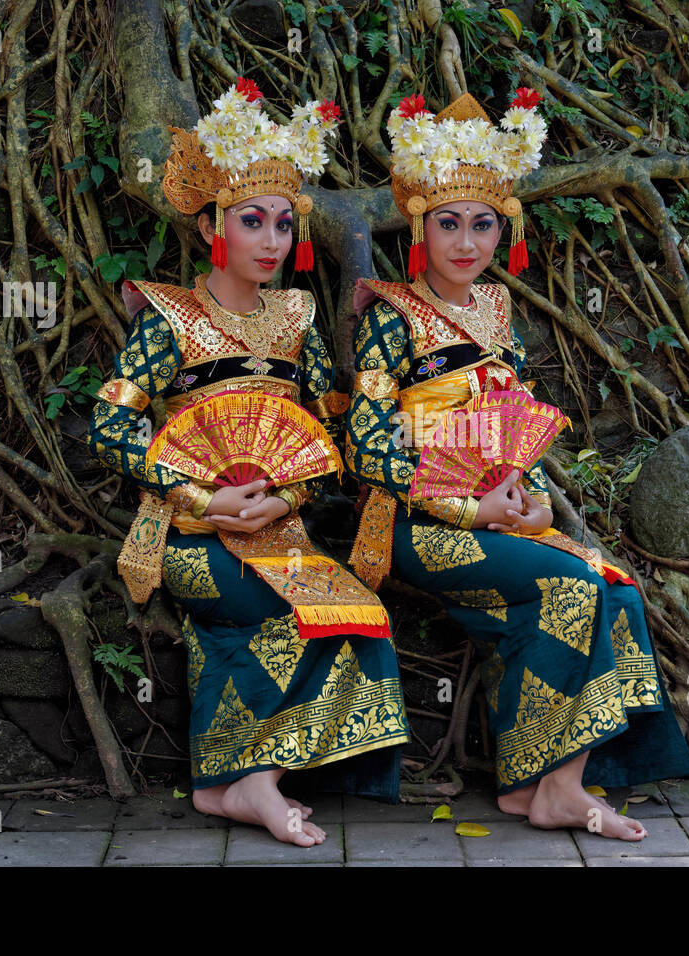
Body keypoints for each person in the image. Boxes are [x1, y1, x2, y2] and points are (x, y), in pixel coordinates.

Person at [344, 89, 689, 842]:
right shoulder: (388, 318)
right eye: (449, 223)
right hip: (416, 524)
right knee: (571, 587)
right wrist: (470, 509)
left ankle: (541, 782)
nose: (467, 241)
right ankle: (558, 790)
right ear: (420, 226)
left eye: (482, 224)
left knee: (617, 589)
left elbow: (514, 431)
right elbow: (366, 446)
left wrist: (532, 503)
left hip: (502, 517)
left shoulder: (497, 312)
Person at [89, 78, 408, 848]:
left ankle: (224, 785)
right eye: (249, 221)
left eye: (280, 223)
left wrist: (283, 495)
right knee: (278, 613)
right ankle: (255, 784)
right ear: (210, 229)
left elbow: (327, 439)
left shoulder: (295, 318)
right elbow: (109, 423)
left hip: (279, 529)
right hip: (188, 533)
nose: (269, 239)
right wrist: (203, 493)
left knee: (361, 616)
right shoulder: (168, 318)